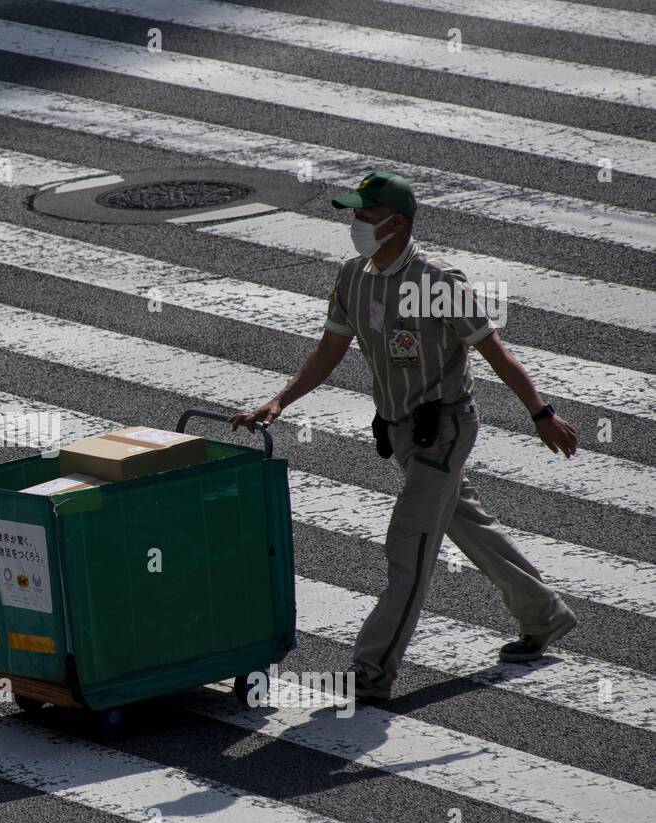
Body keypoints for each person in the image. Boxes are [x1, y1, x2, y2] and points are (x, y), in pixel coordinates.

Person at [230, 170, 579, 701]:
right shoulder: (353, 277)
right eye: (354, 213)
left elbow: (495, 351)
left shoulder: (437, 282)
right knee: (468, 524)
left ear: (398, 223)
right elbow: (329, 350)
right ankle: (544, 614)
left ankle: (372, 670)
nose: (356, 223)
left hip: (445, 428)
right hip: (400, 431)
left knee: (407, 546)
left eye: (366, 215)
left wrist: (541, 413)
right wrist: (279, 400)